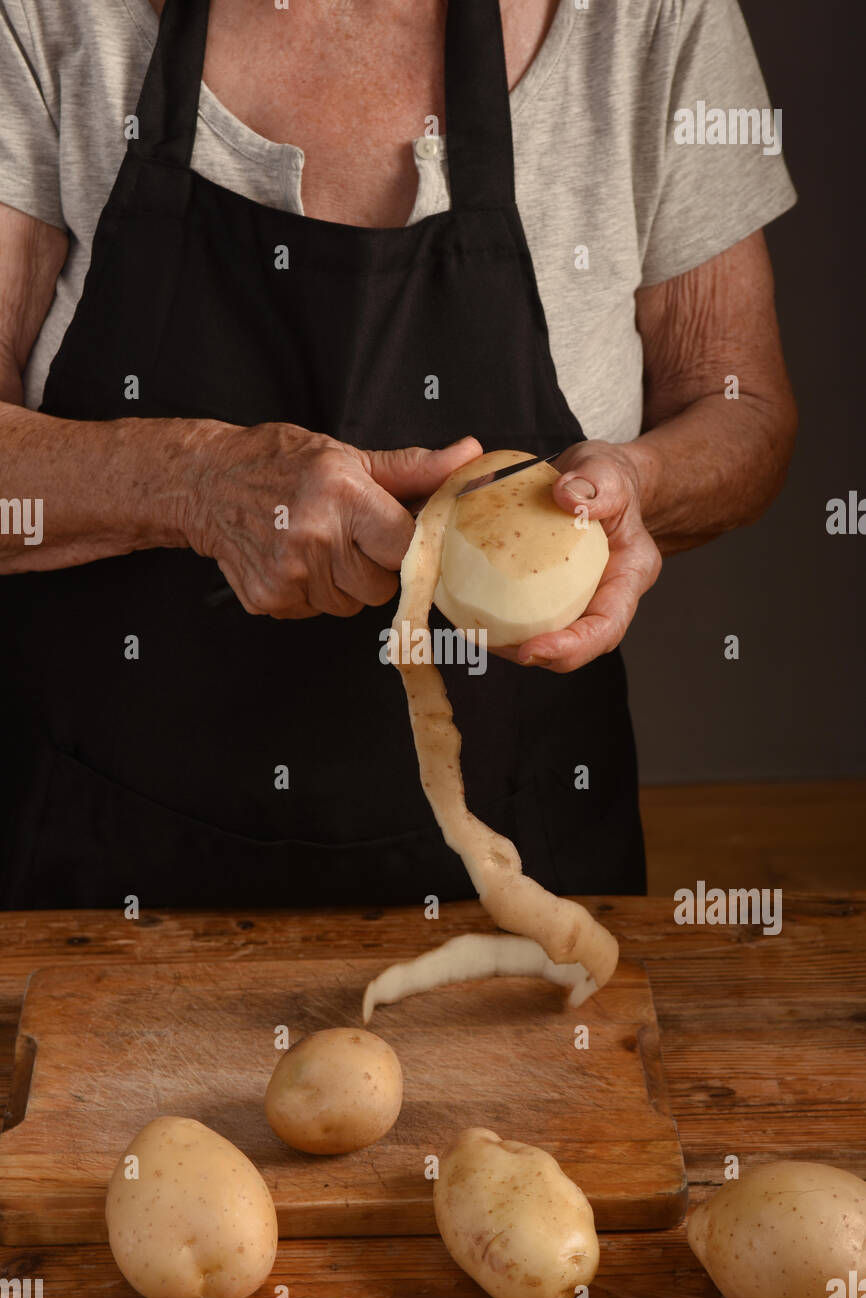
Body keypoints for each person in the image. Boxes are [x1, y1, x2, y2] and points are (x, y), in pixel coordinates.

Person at [0, 0, 797, 909]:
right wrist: (193, 483)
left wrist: (641, 487)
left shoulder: (649, 17)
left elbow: (740, 406)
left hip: (519, 880)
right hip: (100, 877)